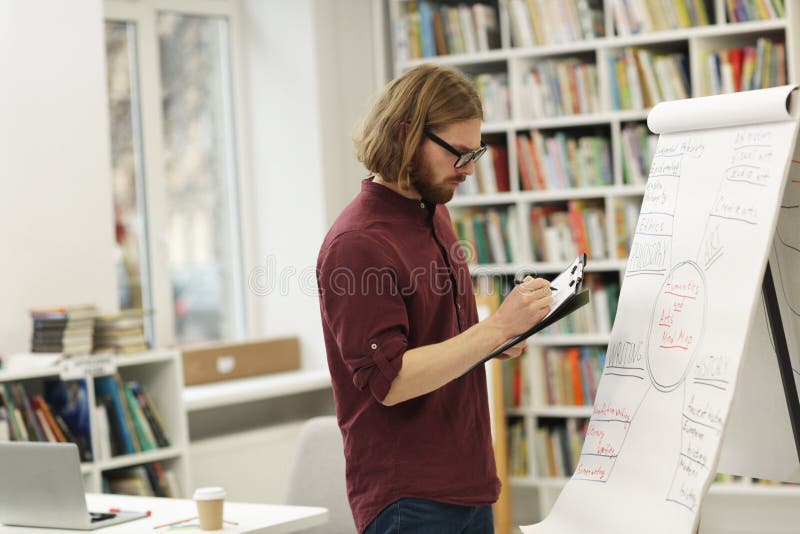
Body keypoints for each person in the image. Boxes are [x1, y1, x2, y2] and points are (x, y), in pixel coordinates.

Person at [316, 64, 553, 533]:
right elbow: (393, 380)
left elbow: (442, 339)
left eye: (476, 152)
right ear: (407, 135)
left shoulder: (434, 211)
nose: (468, 169)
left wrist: (495, 341)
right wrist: (497, 328)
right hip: (410, 498)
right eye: (458, 154)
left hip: (468, 481)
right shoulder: (357, 243)